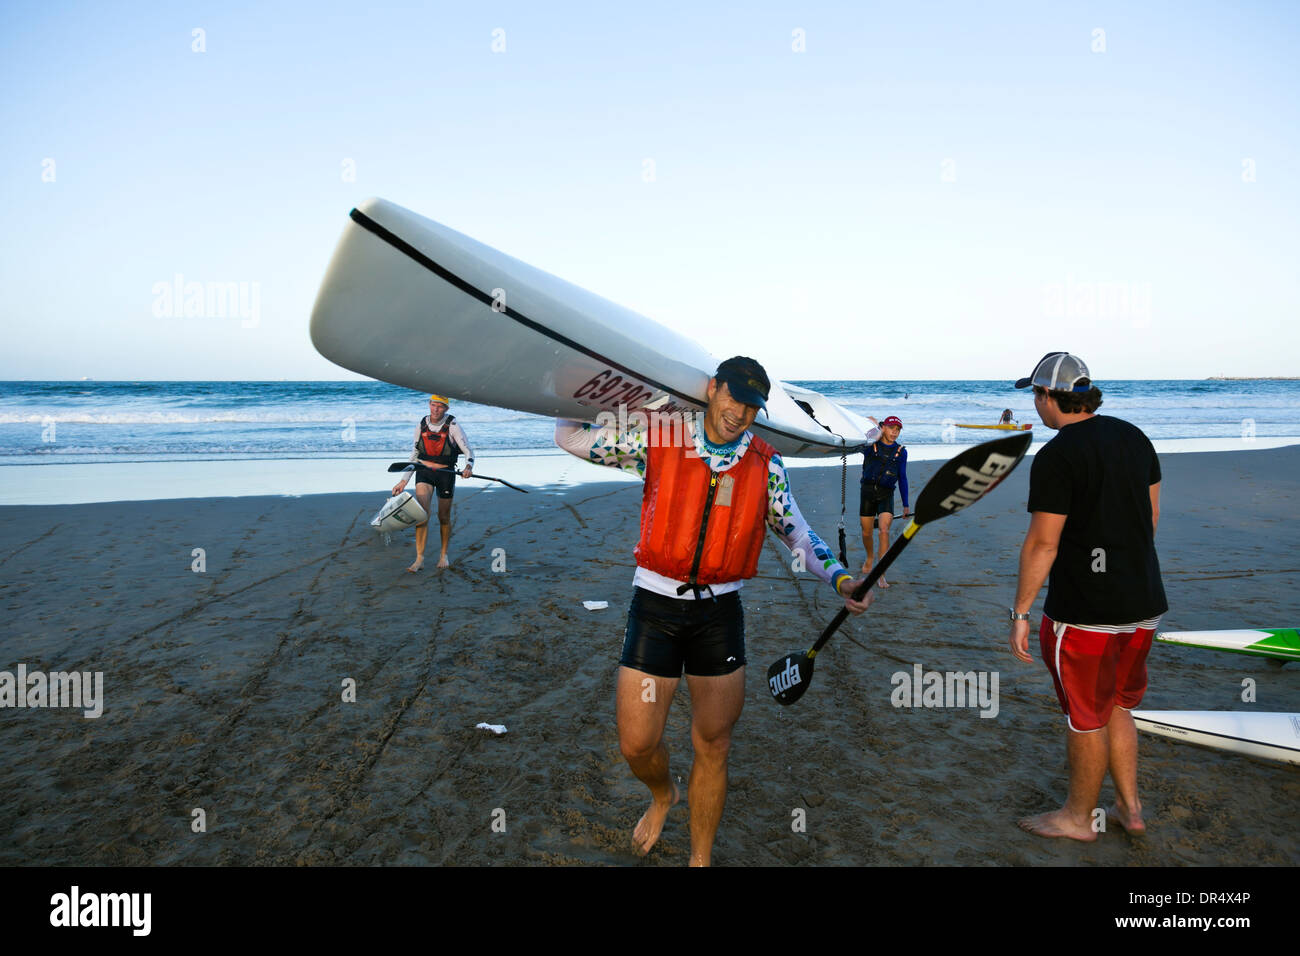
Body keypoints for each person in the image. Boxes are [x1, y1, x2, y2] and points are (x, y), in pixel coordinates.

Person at [555, 356, 873, 866]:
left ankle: (699, 860)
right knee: (637, 744)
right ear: (711, 389)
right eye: (734, 397)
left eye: (752, 405)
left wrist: (839, 577)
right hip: (655, 606)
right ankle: (663, 795)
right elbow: (573, 440)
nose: (740, 412)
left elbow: (796, 531)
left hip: (719, 616)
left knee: (714, 743)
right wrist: (562, 390)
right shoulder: (658, 437)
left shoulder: (765, 463)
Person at [1006, 352, 1166, 841]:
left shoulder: (1058, 455)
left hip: (1085, 613)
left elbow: (1042, 542)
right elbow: (1150, 519)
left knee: (1086, 716)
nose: (1035, 405)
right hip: (1143, 604)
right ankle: (1130, 807)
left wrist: (1021, 612)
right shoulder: (1134, 437)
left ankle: (1079, 818)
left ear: (1048, 397)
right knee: (1118, 705)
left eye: (1036, 395)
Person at [391, 394, 473, 571]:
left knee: (443, 517)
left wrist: (468, 466)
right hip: (424, 472)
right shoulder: (421, 424)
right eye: (433, 405)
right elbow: (414, 455)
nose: (436, 409)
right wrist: (403, 480)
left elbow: (468, 450)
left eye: (440, 406)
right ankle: (419, 559)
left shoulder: (453, 425)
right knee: (421, 515)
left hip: (445, 473)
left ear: (446, 409)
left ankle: (444, 555)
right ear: (429, 405)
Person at [854, 416, 909, 588]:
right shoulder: (870, 447)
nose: (894, 432)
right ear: (883, 428)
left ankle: (881, 574)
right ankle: (870, 557)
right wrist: (873, 424)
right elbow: (861, 437)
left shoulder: (901, 451)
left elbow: (902, 478)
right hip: (867, 493)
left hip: (886, 495)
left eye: (898, 429)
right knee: (866, 533)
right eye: (891, 428)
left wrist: (906, 504)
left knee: (884, 531)